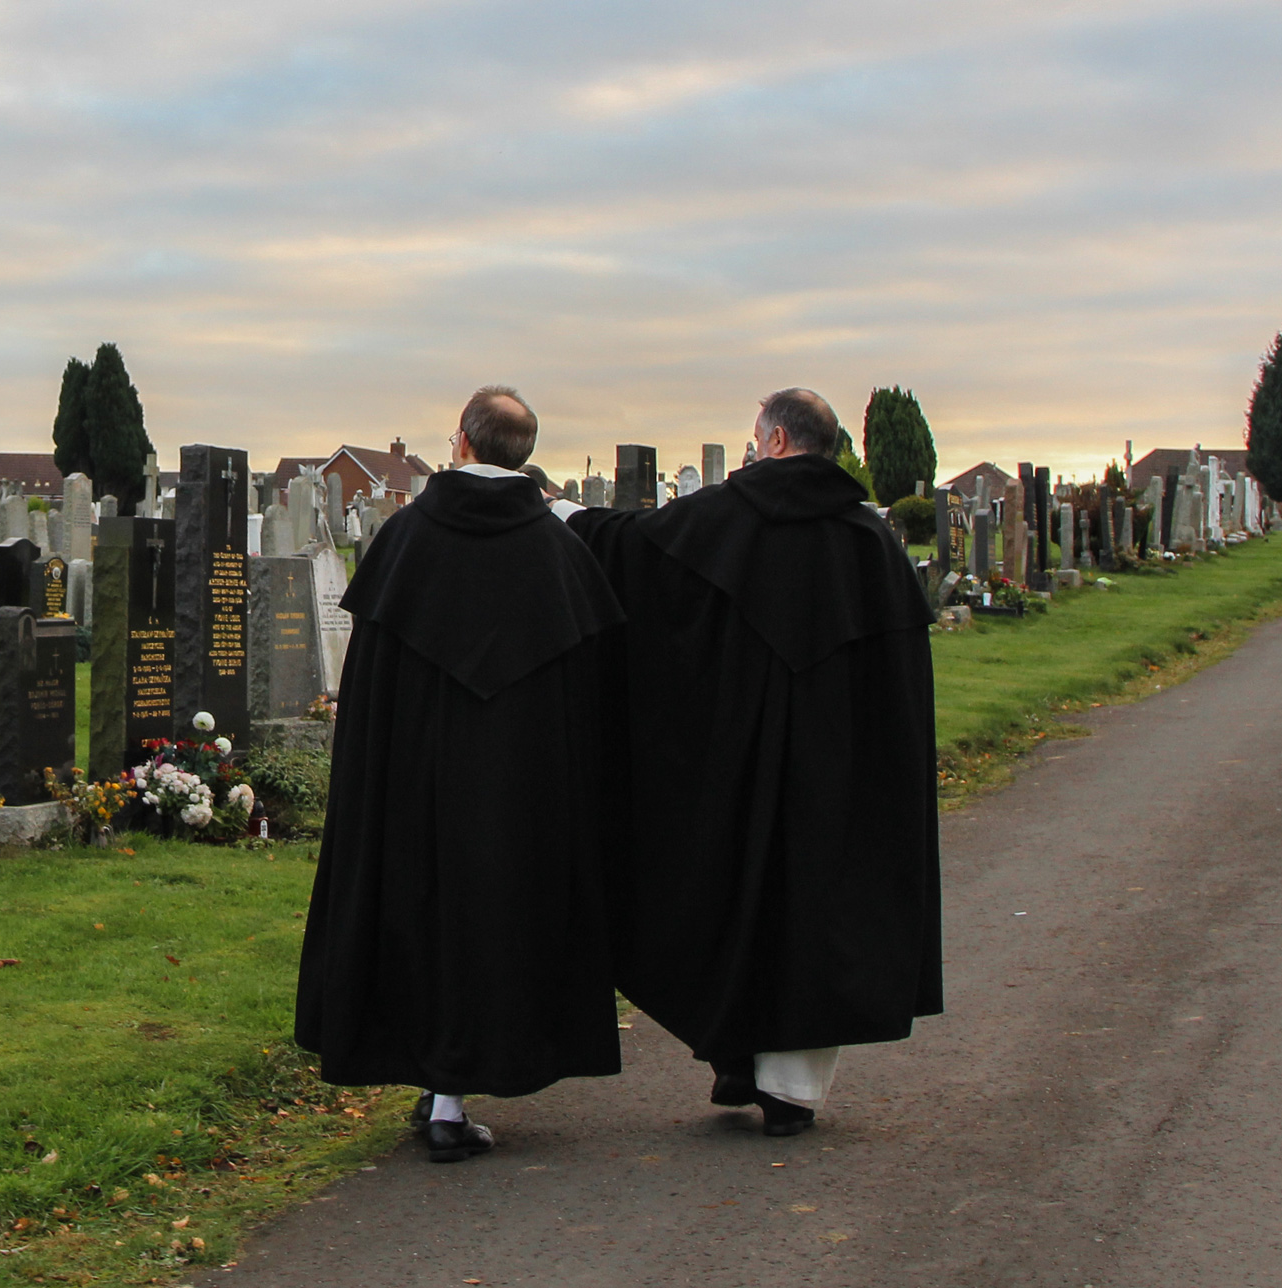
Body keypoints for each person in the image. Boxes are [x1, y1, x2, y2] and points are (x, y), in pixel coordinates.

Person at [566, 388, 942, 1136]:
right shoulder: (871, 544)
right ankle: (789, 1087)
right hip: (838, 772)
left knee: (729, 889)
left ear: (773, 442)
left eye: (752, 437)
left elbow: (631, 550)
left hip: (732, 760)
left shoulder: (717, 521)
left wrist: (559, 515)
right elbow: (900, 687)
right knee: (818, 904)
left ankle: (737, 1047)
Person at [295, 385, 626, 1163]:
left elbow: (371, 682)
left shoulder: (407, 540)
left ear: (461, 443)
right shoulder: (558, 552)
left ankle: (442, 1093)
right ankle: (462, 1084)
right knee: (500, 915)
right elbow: (589, 692)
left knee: (423, 912)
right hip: (522, 789)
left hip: (416, 781)